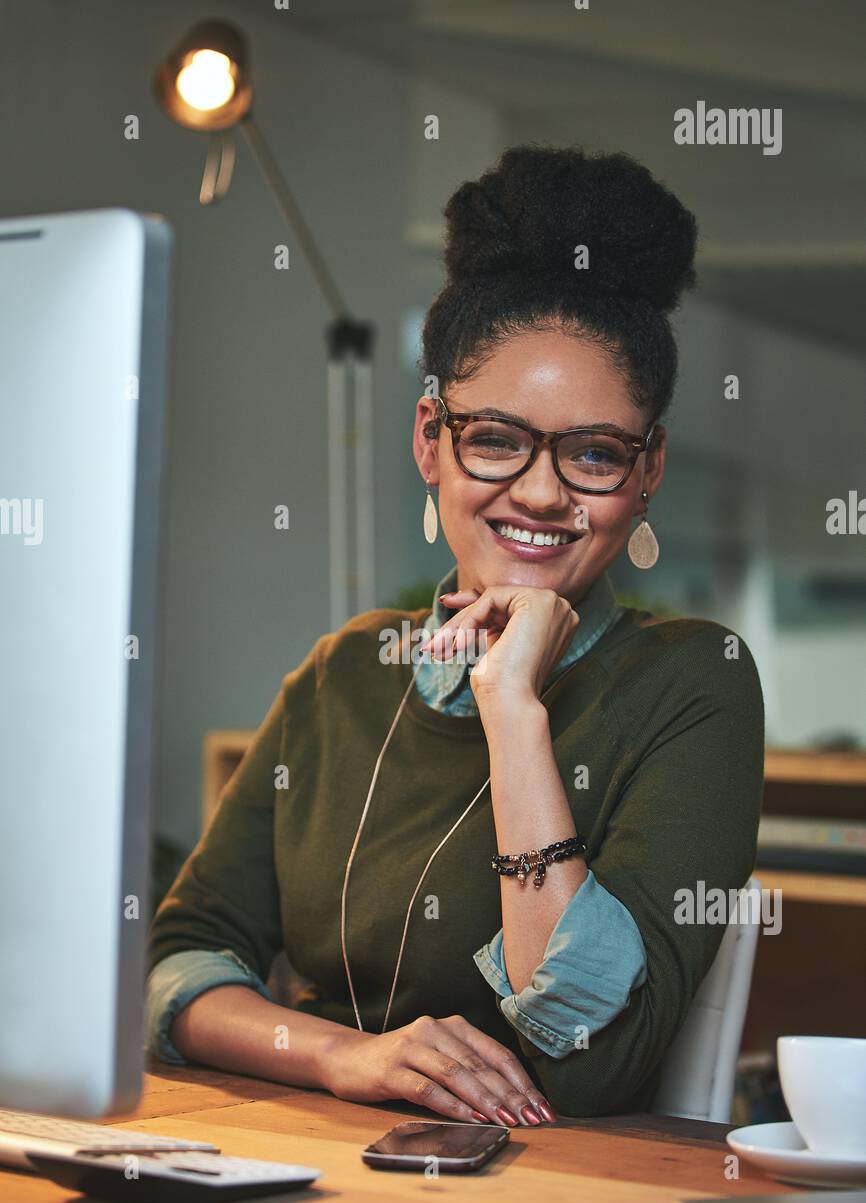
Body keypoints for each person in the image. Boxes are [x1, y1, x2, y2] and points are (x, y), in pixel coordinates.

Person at [146, 145, 764, 1123]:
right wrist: (344, 1056)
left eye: (593, 453)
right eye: (495, 439)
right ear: (430, 438)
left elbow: (589, 1057)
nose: (537, 491)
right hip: (310, 1162)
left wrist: (511, 707)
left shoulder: (695, 682)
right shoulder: (343, 675)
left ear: (646, 472)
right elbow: (179, 962)